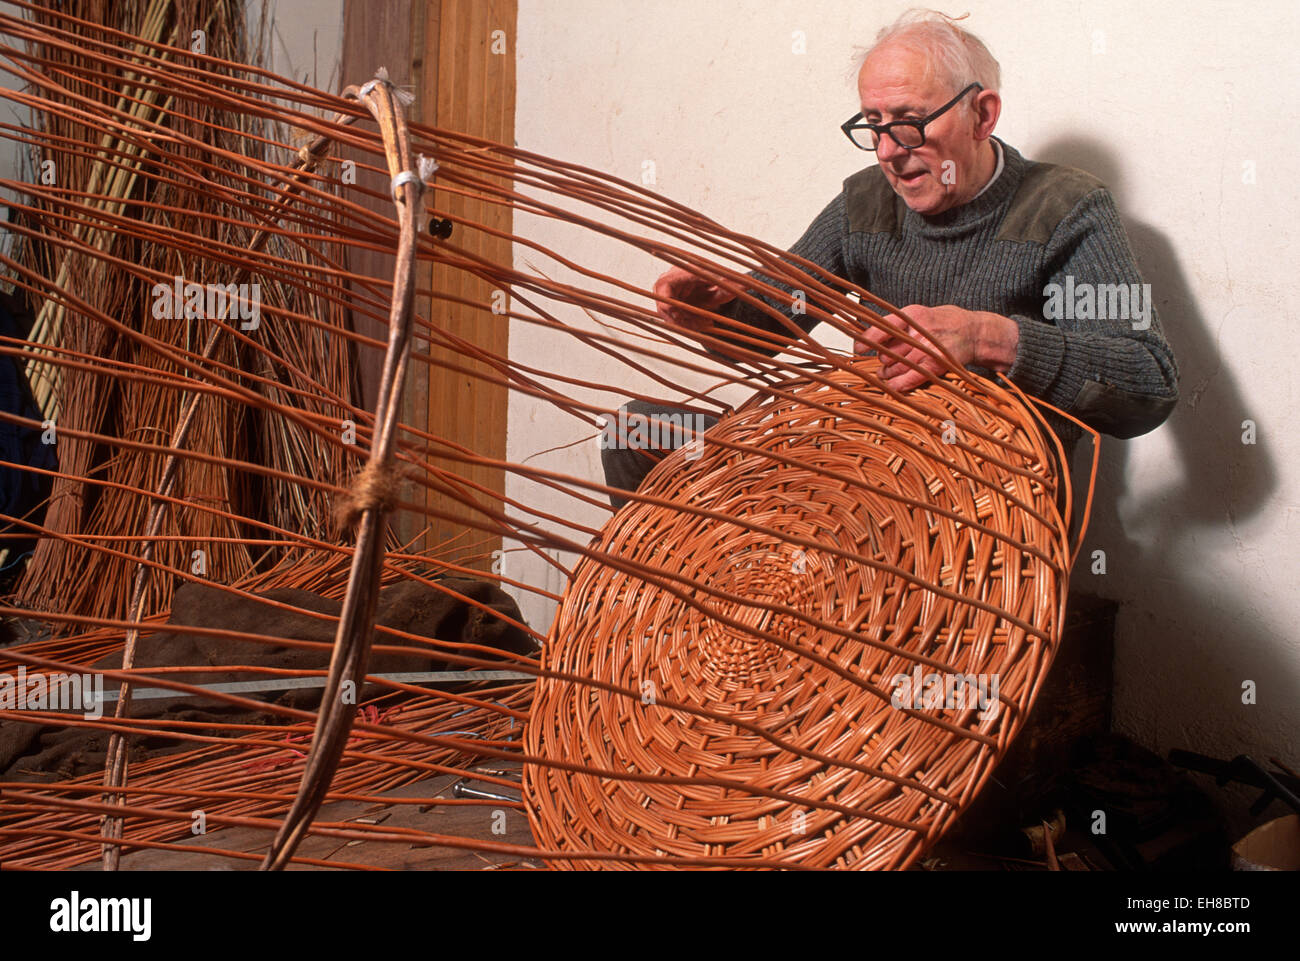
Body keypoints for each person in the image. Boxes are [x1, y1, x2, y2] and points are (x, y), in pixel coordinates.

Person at [602, 9, 1178, 509]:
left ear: (983, 115)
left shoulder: (1065, 208)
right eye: (873, 126)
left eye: (908, 123)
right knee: (633, 433)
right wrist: (713, 313)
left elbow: (1147, 387)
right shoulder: (867, 205)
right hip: (856, 466)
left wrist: (988, 338)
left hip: (979, 503)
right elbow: (767, 328)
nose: (887, 152)